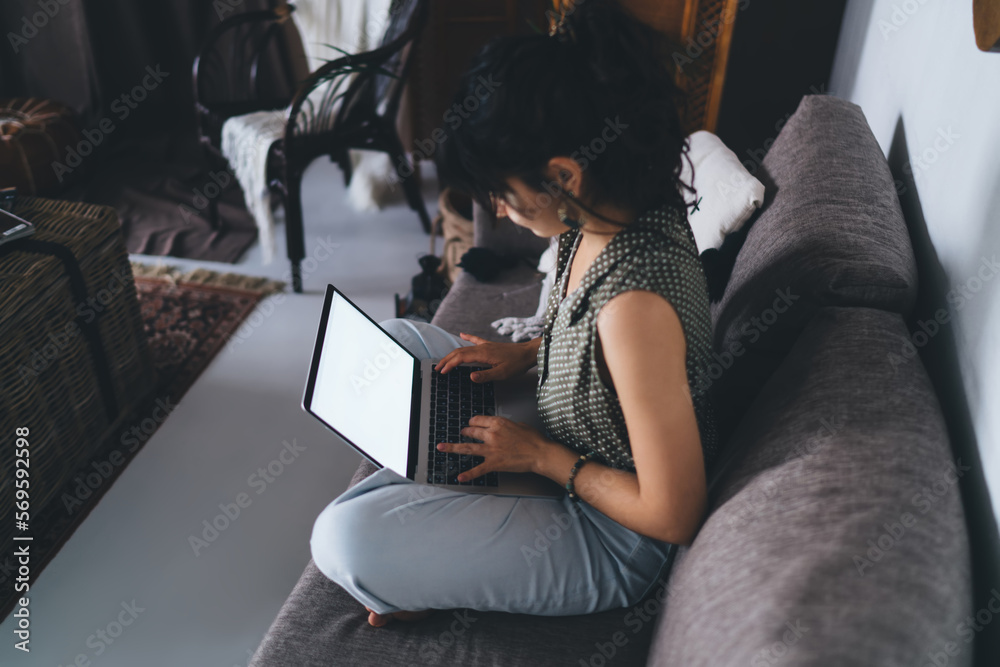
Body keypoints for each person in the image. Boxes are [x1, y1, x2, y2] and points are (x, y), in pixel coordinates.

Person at [309, 0, 720, 628]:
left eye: (503, 193)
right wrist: (531, 353)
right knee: (398, 345)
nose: (499, 212)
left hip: (610, 531)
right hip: (576, 427)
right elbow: (599, 353)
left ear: (563, 175)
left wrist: (541, 459)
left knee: (343, 538)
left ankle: (419, 521)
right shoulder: (614, 207)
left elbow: (675, 513)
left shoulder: (634, 307)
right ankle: (430, 495)